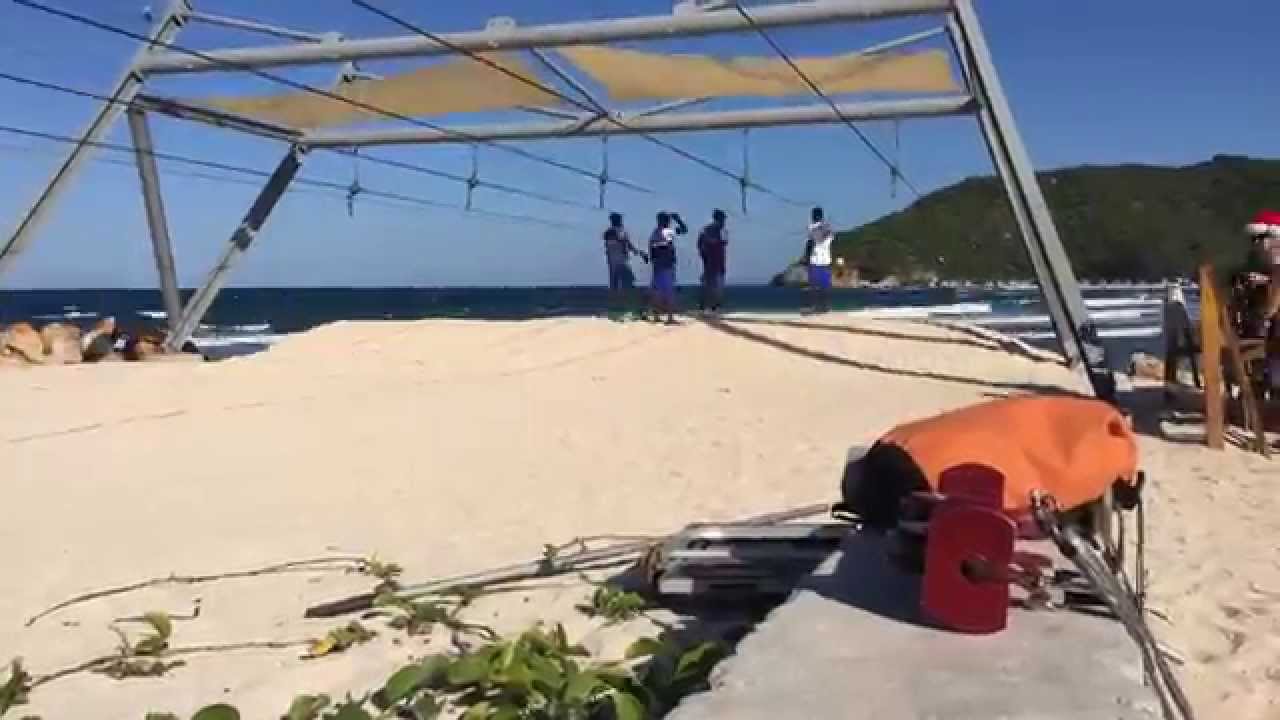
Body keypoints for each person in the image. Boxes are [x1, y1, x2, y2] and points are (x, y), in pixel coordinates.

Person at [602, 212, 646, 319]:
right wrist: (638, 252)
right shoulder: (613, 232)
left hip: (614, 263)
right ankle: (630, 310)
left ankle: (617, 310)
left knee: (617, 287)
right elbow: (624, 243)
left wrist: (638, 252)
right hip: (620, 262)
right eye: (620, 219)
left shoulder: (611, 232)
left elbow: (626, 244)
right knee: (628, 286)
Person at [648, 211, 687, 324]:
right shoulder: (667, 232)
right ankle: (669, 317)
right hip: (666, 265)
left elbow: (652, 250)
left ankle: (657, 316)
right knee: (669, 291)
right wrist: (678, 219)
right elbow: (684, 230)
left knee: (657, 291)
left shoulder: (654, 233)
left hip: (657, 265)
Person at [803, 206, 835, 314]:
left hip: (816, 260)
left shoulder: (812, 227)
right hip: (825, 261)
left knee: (815, 286)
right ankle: (825, 307)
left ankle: (816, 307)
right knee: (824, 286)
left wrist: (806, 258)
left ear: (813, 216)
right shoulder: (826, 227)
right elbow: (828, 237)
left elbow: (811, 242)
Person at [697, 209, 729, 313]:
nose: (724, 221)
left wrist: (704, 254)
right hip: (714, 262)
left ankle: (708, 307)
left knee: (710, 286)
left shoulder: (706, 230)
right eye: (723, 219)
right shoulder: (715, 230)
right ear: (718, 219)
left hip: (713, 262)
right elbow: (723, 243)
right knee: (715, 286)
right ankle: (711, 307)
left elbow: (699, 245)